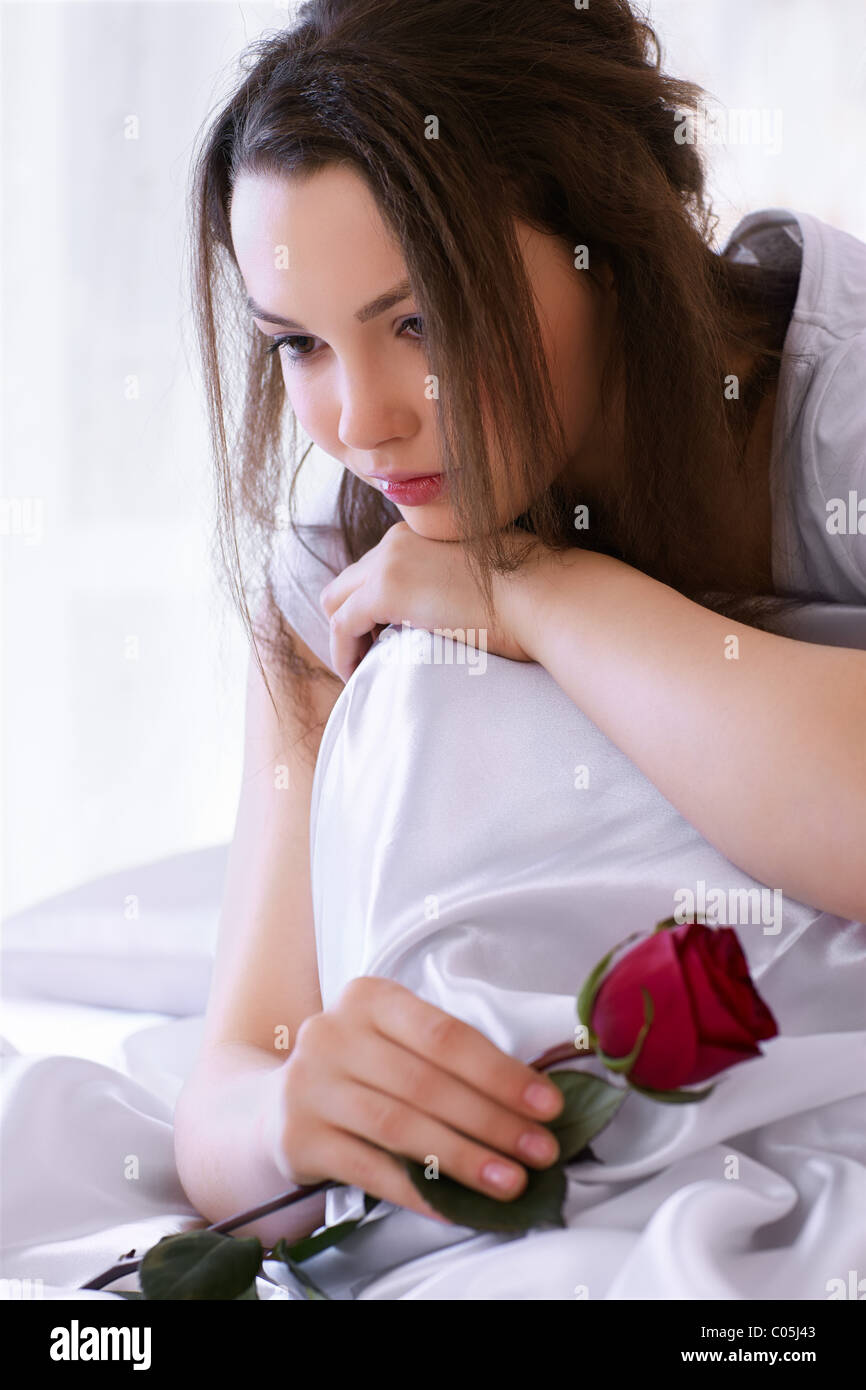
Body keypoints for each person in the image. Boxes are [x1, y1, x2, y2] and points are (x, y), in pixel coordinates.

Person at [173, 0, 866, 1252]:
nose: (361, 422)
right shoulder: (339, 555)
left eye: (418, 322)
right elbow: (231, 1073)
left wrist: (532, 591)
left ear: (610, 238)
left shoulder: (839, 421)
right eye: (298, 345)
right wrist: (291, 1115)